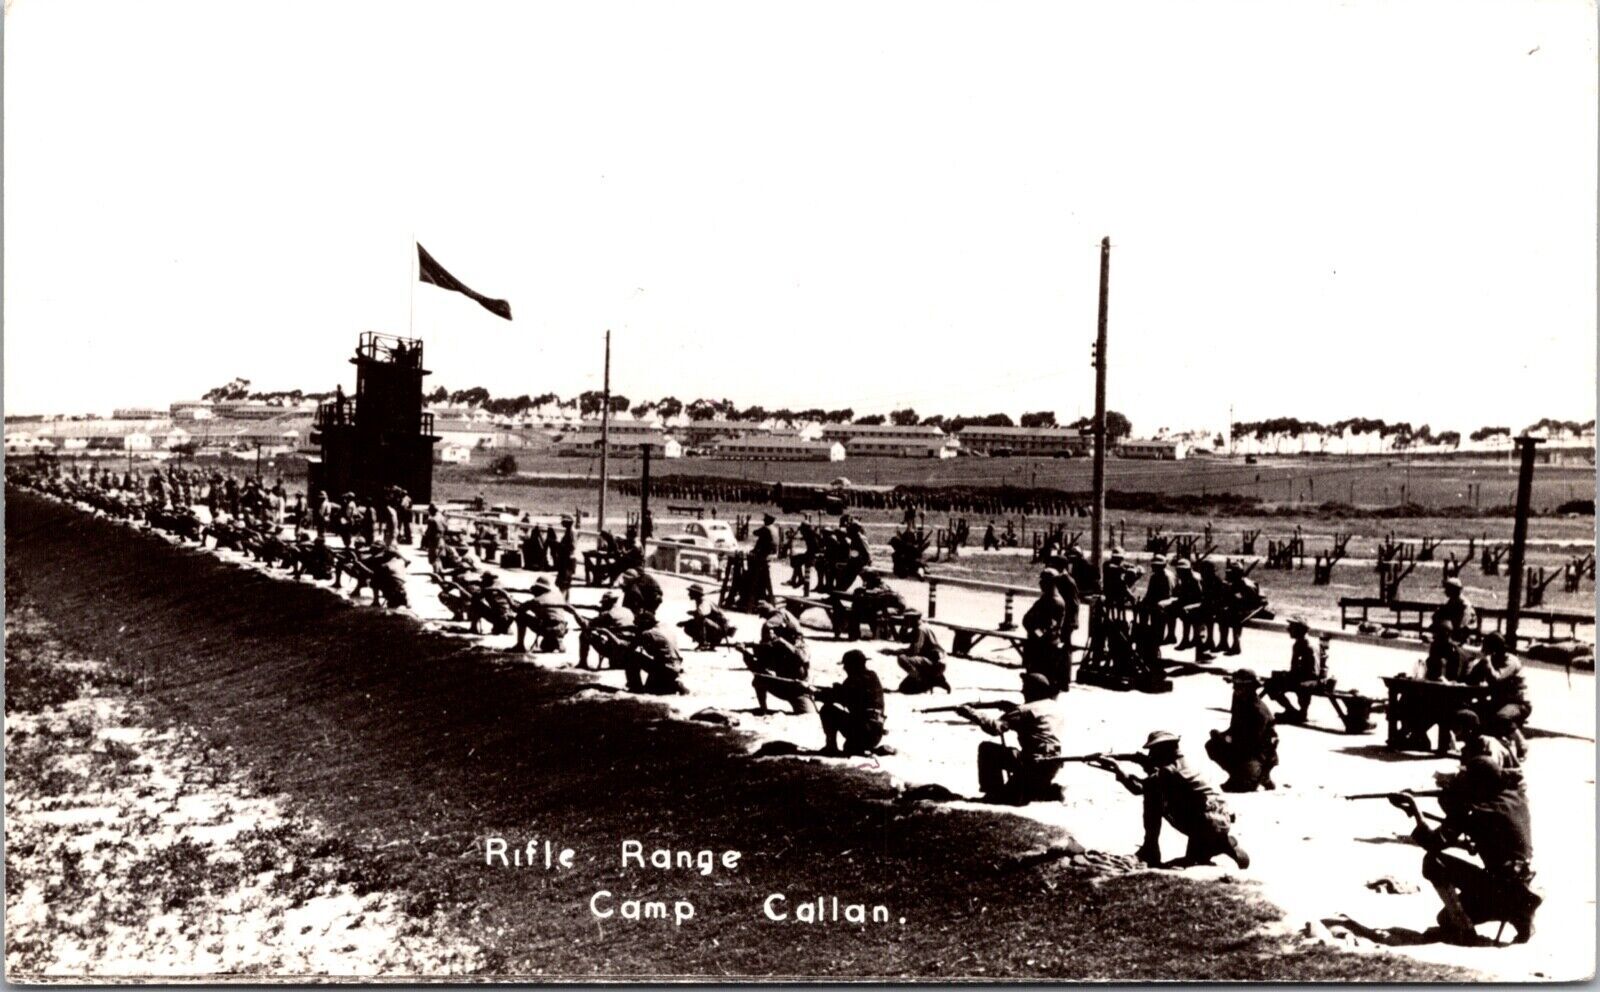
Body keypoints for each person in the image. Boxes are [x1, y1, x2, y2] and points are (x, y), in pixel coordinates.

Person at [1395, 751, 1539, 944]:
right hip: (1521, 883)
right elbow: (1486, 836)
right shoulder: (1516, 798)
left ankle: (1465, 930)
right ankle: (1519, 914)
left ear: (1479, 784)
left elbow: (1433, 842)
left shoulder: (1477, 810)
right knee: (1444, 919)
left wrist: (1414, 810)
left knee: (1433, 862)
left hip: (1501, 887)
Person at [1091, 730, 1250, 869]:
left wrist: (1116, 767)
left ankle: (1150, 849)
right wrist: (1122, 757)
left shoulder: (1169, 770)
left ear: (1163, 751)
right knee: (1196, 857)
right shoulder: (1184, 763)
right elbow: (1147, 763)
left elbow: (1138, 788)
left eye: (1153, 751)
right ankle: (1221, 844)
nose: (1151, 755)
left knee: (1153, 797)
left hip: (1204, 823)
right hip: (1220, 820)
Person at [958, 673, 1065, 805]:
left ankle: (992, 793)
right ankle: (1045, 790)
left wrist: (971, 713)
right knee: (1020, 788)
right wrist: (1013, 710)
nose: (1022, 691)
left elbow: (994, 728)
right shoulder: (1053, 706)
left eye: (1025, 687)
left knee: (986, 749)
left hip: (1032, 765)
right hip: (1052, 763)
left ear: (1033, 690)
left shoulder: (1024, 710)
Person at [1204, 669, 1279, 792]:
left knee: (1241, 787)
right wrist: (1222, 736)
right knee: (1212, 745)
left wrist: (1227, 740)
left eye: (1239, 686)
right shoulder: (1238, 700)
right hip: (1243, 747)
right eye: (1234, 685)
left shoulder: (1259, 711)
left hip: (1259, 754)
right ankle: (1238, 775)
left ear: (1249, 688)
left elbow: (1251, 743)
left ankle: (1260, 775)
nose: (1234, 689)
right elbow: (1234, 728)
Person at [746, 601, 814, 715]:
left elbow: (768, 626)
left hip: (798, 690)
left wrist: (773, 642)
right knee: (759, 680)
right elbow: (759, 668)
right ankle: (764, 710)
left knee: (808, 713)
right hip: (786, 686)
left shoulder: (799, 648)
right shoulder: (779, 649)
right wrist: (746, 652)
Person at [816, 649, 885, 756]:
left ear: (854, 665)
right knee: (849, 748)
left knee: (827, 710)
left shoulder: (855, 680)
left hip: (864, 730)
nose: (844, 668)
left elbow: (840, 697)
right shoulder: (872, 677)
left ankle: (831, 747)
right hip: (875, 733)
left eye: (846, 665)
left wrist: (820, 694)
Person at [1463, 632, 1531, 738]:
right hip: (1499, 702)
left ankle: (1521, 743)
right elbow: (1471, 680)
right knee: (1469, 712)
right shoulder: (1490, 661)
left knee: (1501, 717)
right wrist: (1470, 663)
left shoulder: (1511, 661)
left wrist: (1487, 661)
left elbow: (1497, 678)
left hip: (1518, 703)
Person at [1264, 617, 1322, 723]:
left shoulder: (1304, 645)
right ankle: (1296, 712)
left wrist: (1286, 675)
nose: (1288, 629)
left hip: (1308, 680)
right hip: (1308, 678)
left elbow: (1306, 671)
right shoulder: (1305, 642)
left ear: (1300, 630)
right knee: (1275, 681)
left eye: (1292, 627)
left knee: (1270, 684)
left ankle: (1294, 711)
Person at [1021, 569, 1069, 690]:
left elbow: (1049, 627)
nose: (1040, 583)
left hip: (1046, 645)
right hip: (1039, 643)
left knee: (1043, 677)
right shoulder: (1045, 598)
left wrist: (1036, 634)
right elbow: (1028, 618)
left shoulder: (1055, 601)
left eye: (1043, 581)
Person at [621, 610, 686, 695]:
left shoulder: (647, 633)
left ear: (645, 623)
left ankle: (635, 687)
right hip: (676, 666)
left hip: (665, 668)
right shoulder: (664, 627)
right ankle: (673, 683)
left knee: (631, 656)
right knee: (651, 688)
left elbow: (630, 647)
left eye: (638, 624)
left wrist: (607, 632)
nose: (637, 626)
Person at [883, 614, 950, 694]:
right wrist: (904, 628)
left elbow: (914, 651)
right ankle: (932, 679)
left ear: (913, 619)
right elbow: (903, 639)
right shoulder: (920, 627)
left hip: (935, 664)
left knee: (902, 658)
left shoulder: (920, 630)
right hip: (932, 662)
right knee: (903, 688)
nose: (905, 621)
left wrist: (893, 652)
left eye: (907, 619)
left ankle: (925, 680)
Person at [512, 577, 572, 654]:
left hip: (548, 628)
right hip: (561, 628)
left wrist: (509, 599)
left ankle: (520, 645)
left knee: (521, 617)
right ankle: (557, 641)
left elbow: (518, 609)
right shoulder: (558, 597)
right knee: (546, 645)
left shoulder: (536, 600)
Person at [577, 591, 635, 669]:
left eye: (603, 603)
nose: (602, 605)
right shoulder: (628, 610)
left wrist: (576, 613)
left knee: (584, 634)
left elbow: (588, 624)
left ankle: (582, 663)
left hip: (617, 648)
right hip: (630, 647)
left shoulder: (609, 614)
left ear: (608, 603)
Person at [843, 569, 905, 640]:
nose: (864, 582)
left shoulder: (882, 585)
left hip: (895, 608)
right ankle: (855, 634)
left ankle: (880, 634)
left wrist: (864, 591)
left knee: (871, 612)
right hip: (881, 607)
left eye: (866, 579)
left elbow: (878, 593)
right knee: (857, 609)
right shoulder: (871, 585)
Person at [680, 583, 734, 650]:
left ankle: (704, 643)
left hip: (720, 629)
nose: (689, 594)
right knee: (690, 625)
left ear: (696, 593)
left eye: (691, 592)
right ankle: (711, 642)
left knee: (701, 620)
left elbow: (701, 614)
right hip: (716, 627)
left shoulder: (704, 601)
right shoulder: (699, 601)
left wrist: (687, 620)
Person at [748, 512, 780, 606]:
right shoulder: (775, 528)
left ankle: (753, 591)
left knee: (751, 566)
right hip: (771, 553)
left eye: (765, 520)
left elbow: (755, 532)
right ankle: (760, 590)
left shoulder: (766, 528)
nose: (764, 521)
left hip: (764, 554)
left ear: (768, 520)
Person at [1433, 577, 1476, 643]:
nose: (1445, 591)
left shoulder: (1464, 605)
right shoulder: (1452, 601)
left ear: (1454, 590)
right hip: (1451, 636)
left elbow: (1464, 624)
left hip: (1461, 638)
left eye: (1448, 588)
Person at [1424, 617, 1465, 682]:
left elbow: (1453, 671)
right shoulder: (1435, 645)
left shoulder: (1452, 649)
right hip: (1435, 679)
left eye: (1437, 633)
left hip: (1447, 681)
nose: (1434, 635)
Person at [553, 515, 577, 596]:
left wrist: (559, 545)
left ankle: (562, 602)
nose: (562, 523)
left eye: (563, 521)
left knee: (563, 584)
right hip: (567, 560)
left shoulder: (571, 532)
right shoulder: (569, 531)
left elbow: (572, 546)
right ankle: (565, 602)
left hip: (567, 561)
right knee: (565, 585)